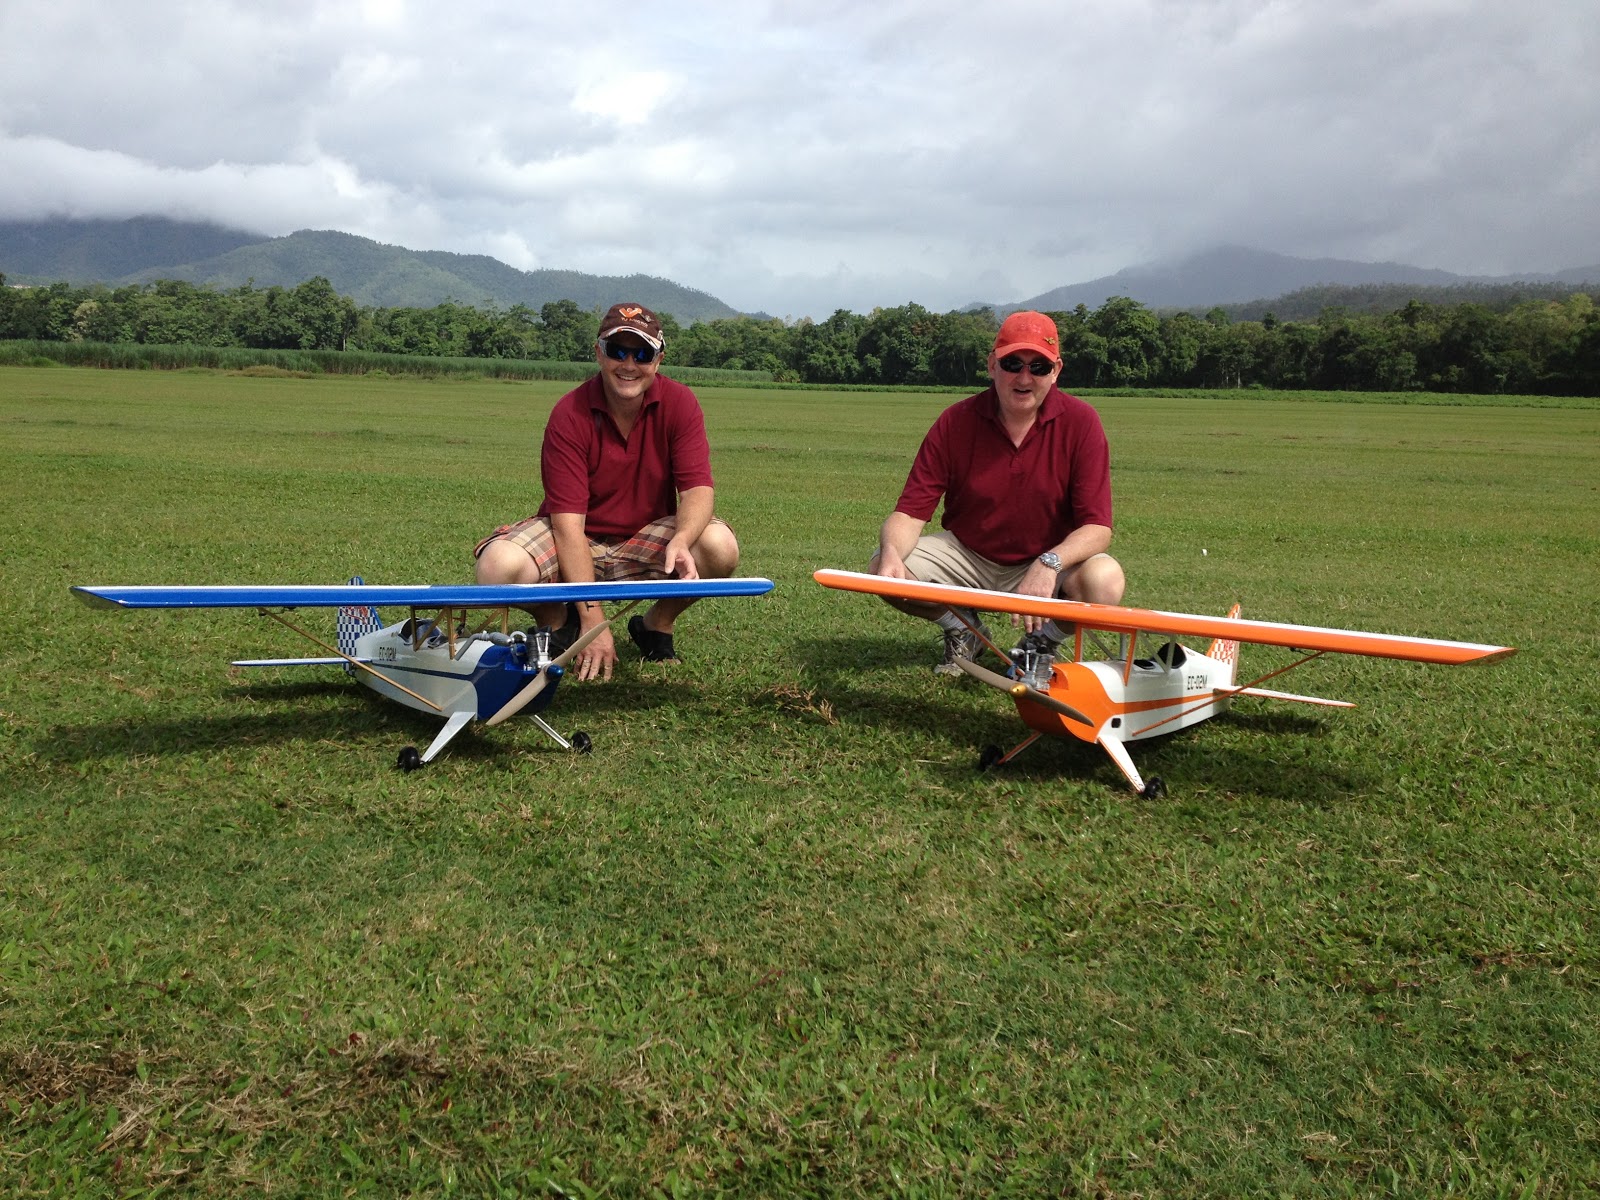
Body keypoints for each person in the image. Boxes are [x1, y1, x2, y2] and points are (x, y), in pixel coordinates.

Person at [474, 302, 740, 682]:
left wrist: (682, 539)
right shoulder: (570, 412)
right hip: (577, 534)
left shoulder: (681, 403)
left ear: (658, 359)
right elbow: (567, 526)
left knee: (719, 545)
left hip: (642, 535)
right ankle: (558, 617)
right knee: (496, 567)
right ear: (599, 353)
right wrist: (592, 617)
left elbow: (698, 490)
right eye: (617, 351)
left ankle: (655, 626)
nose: (628, 364)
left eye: (642, 353)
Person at [870, 309, 1125, 673]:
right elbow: (911, 512)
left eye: (1038, 367)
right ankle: (965, 629)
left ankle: (1041, 642)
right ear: (992, 366)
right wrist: (893, 552)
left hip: (1047, 557)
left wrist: (1048, 563)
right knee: (882, 565)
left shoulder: (1082, 423)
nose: (1024, 378)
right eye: (1012, 364)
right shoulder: (955, 421)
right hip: (969, 554)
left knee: (1106, 580)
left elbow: (1097, 528)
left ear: (1056, 372)